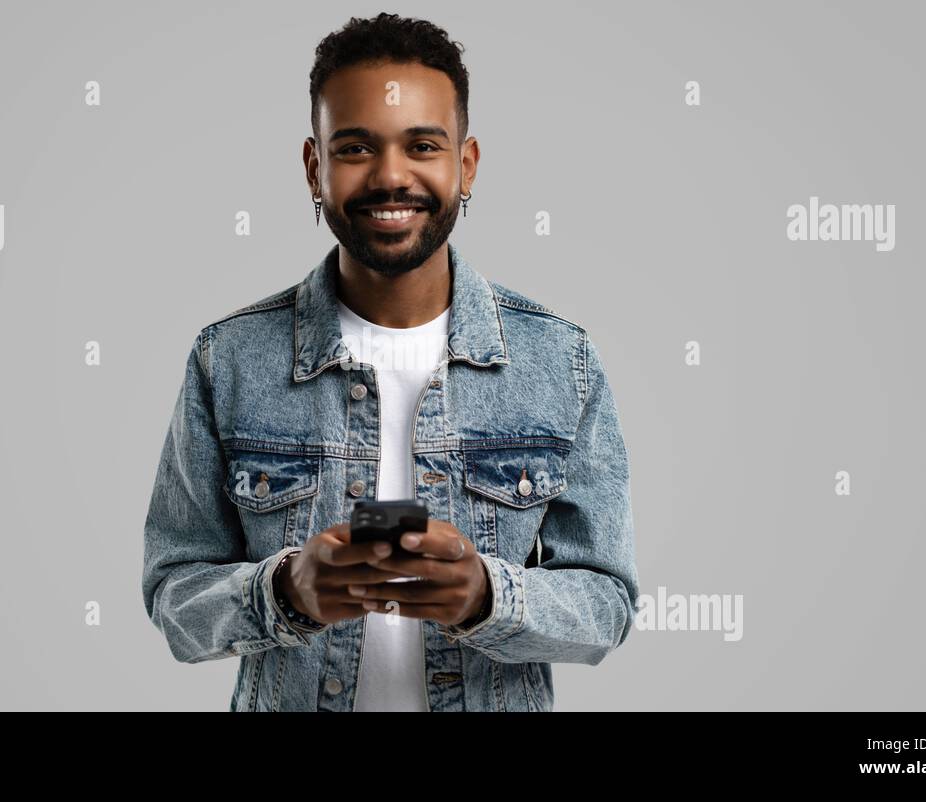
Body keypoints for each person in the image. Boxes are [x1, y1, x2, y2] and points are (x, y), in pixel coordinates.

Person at [142, 12, 638, 712]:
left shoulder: (562, 360)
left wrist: (489, 596)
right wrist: (284, 591)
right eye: (355, 148)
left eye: (423, 145)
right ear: (315, 169)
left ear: (464, 165)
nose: (390, 176)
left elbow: (607, 603)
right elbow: (174, 602)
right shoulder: (228, 360)